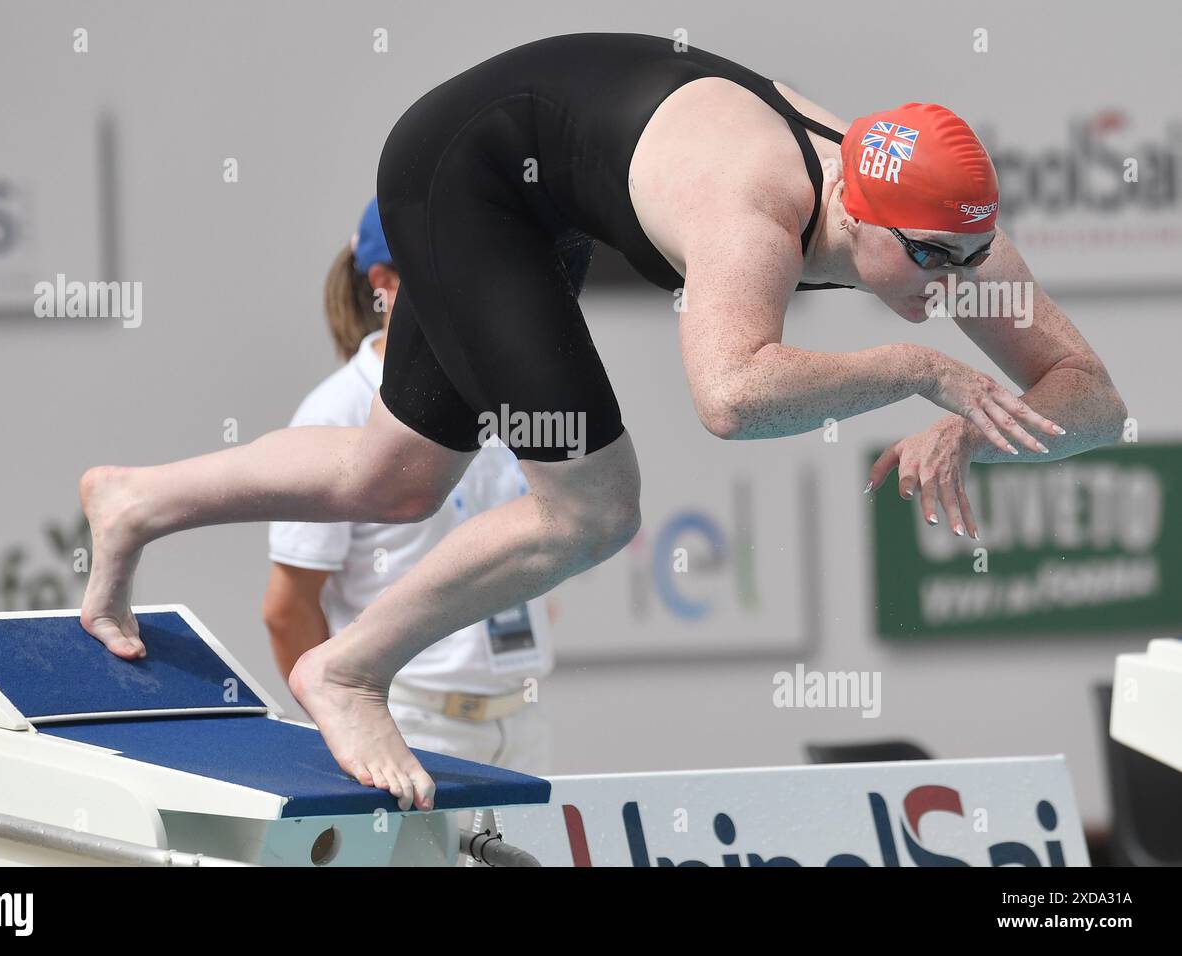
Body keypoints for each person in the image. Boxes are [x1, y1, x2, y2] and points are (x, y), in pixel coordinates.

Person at [77, 33, 1126, 811]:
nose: (952, 286)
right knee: (592, 507)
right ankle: (346, 669)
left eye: (969, 263)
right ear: (854, 208)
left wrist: (977, 424)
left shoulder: (946, 224)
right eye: (931, 262)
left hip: (539, 177)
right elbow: (730, 396)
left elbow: (1094, 398)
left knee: (393, 475)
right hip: (468, 172)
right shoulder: (756, 204)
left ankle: (134, 497)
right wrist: (912, 368)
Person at [262, 199, 552, 773]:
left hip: (522, 720)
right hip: (409, 724)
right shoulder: (337, 410)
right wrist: (349, 726)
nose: (474, 284)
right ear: (382, 282)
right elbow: (286, 609)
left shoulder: (508, 385)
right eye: (449, 266)